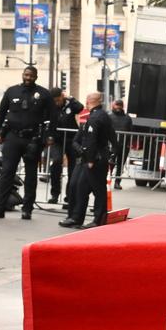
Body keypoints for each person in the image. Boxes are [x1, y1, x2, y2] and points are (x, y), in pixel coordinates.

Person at [0, 66, 53, 220]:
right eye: (26, 74)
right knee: (7, 173)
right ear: (22, 74)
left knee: (31, 176)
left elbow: (53, 117)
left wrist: (49, 136)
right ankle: (0, 207)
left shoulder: (44, 94)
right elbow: (1, 113)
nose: (28, 78)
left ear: (36, 76)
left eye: (31, 75)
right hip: (13, 137)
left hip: (33, 139)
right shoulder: (12, 91)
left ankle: (27, 209)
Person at [58, 93, 114, 229]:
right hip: (89, 157)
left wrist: (90, 159)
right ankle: (76, 217)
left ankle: (98, 220)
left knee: (97, 189)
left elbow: (93, 140)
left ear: (89, 101)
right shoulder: (97, 116)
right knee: (78, 187)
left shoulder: (97, 117)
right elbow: (83, 137)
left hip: (94, 158)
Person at [47, 88, 82, 205]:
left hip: (72, 139)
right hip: (57, 140)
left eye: (58, 100)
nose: (57, 103)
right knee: (56, 162)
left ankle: (69, 196)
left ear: (62, 96)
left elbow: (80, 108)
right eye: (54, 101)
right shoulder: (51, 106)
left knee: (73, 168)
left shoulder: (70, 104)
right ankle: (55, 194)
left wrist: (70, 98)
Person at [108, 98, 132, 190]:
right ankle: (108, 180)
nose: (118, 107)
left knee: (120, 164)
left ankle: (117, 182)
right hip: (111, 145)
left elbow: (130, 131)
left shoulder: (127, 118)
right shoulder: (109, 117)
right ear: (113, 105)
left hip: (124, 145)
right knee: (110, 163)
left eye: (120, 105)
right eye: (116, 105)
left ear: (122, 106)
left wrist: (128, 144)